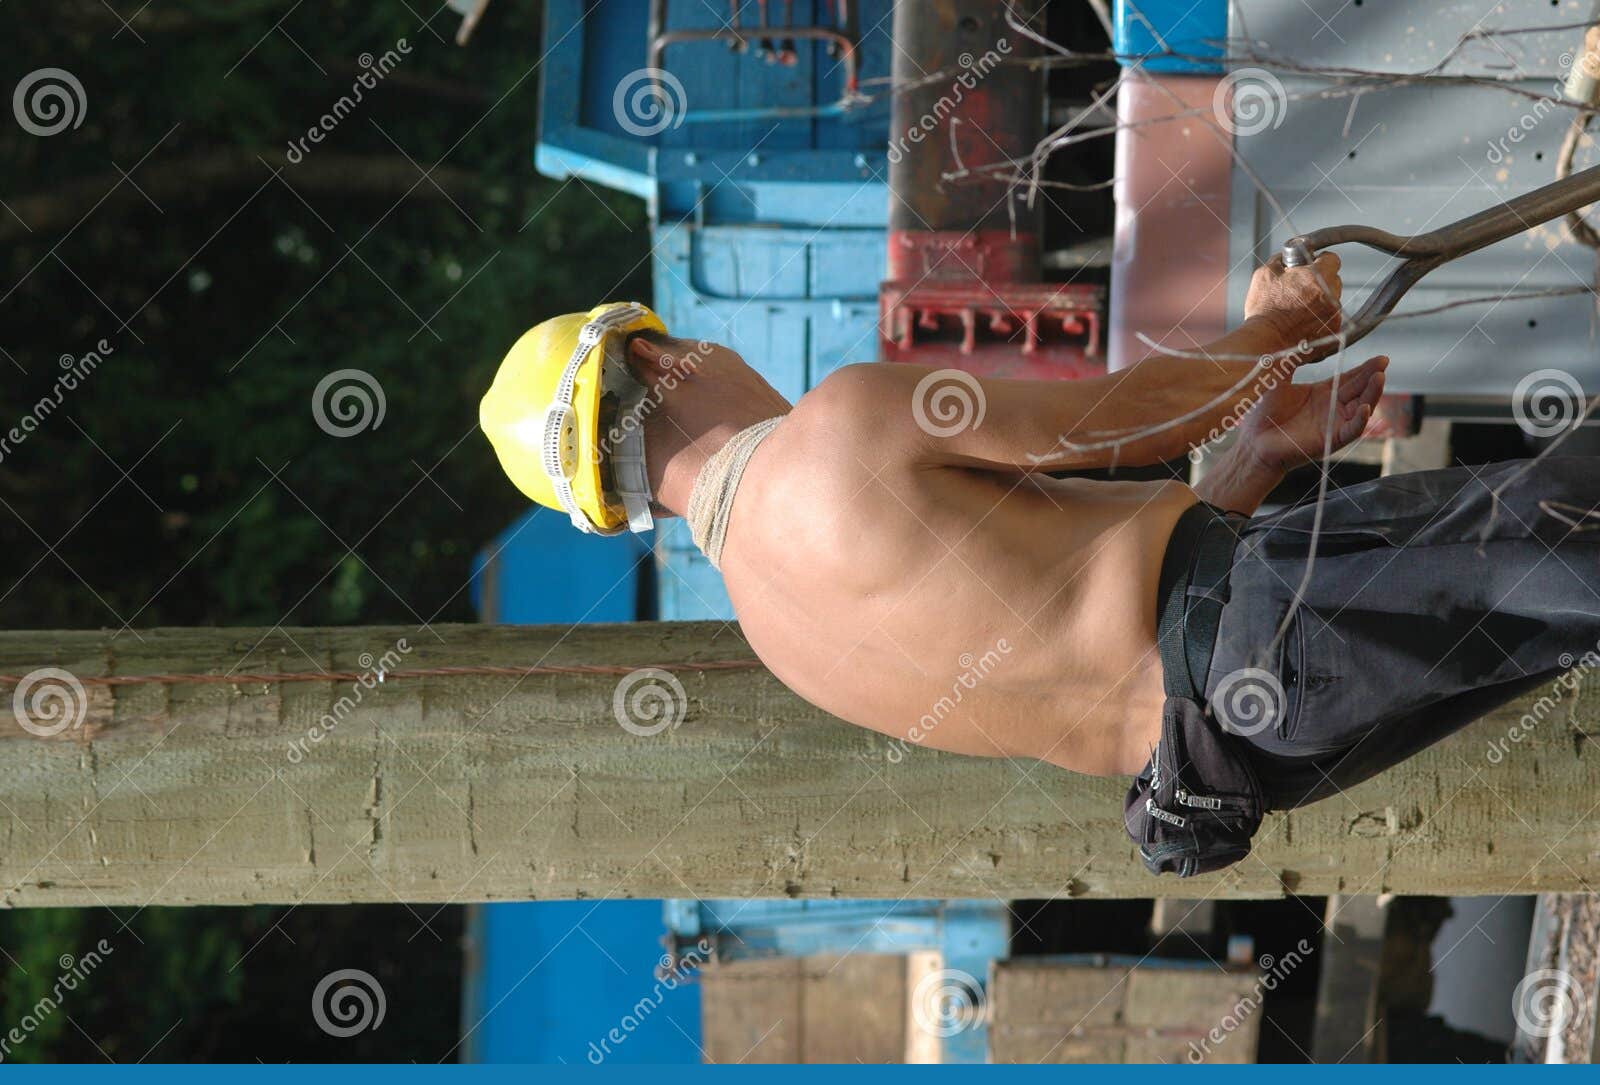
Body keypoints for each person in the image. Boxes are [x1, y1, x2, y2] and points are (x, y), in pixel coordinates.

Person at [479, 254, 1600, 876]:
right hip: (1267, 626)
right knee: (1579, 520)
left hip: (1243, 751)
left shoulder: (781, 638)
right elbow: (1115, 425)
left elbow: (1096, 630)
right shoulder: (836, 430)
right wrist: (1273, 335)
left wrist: (1253, 455)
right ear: (656, 354)